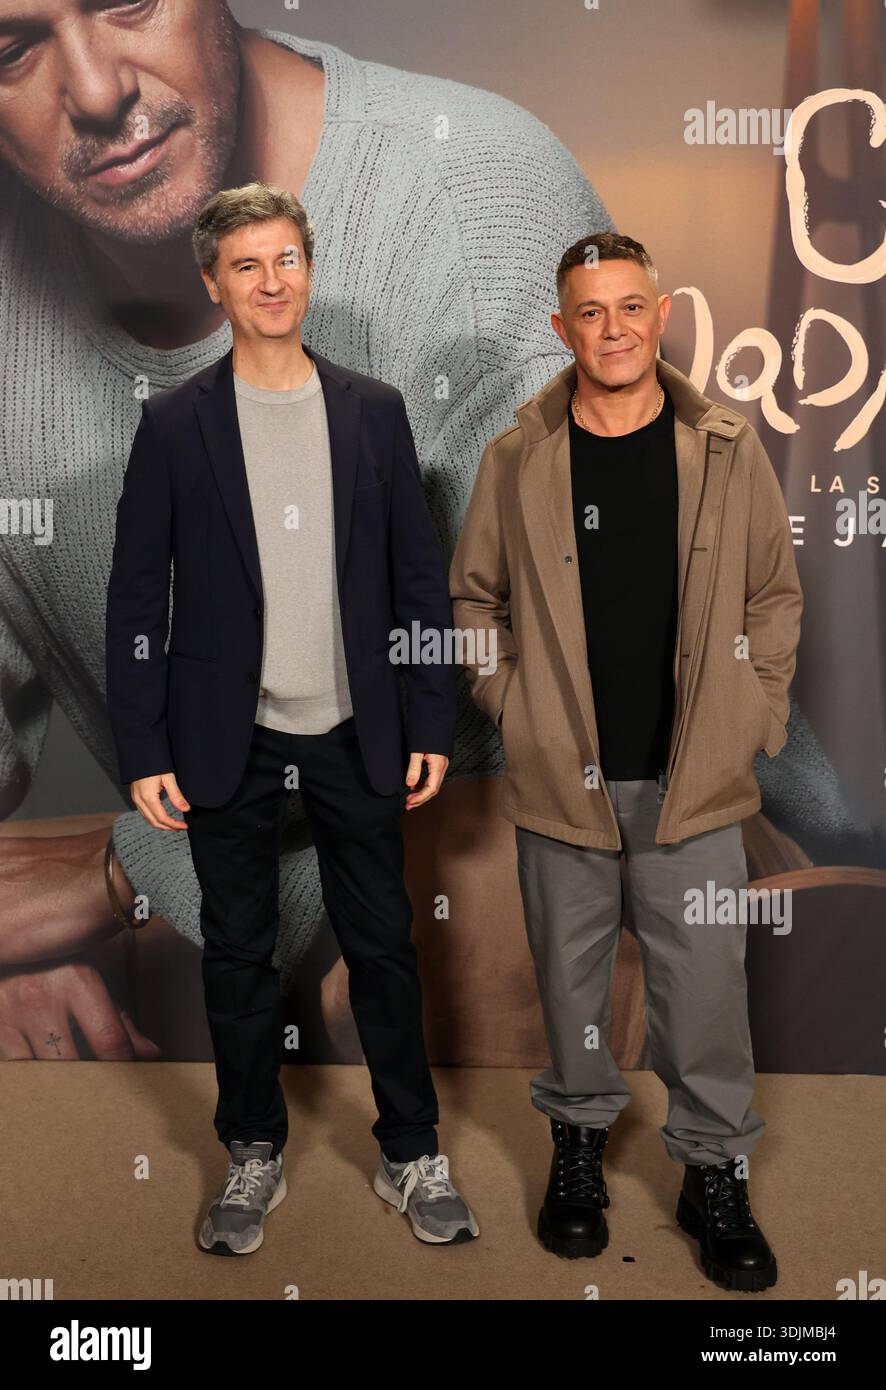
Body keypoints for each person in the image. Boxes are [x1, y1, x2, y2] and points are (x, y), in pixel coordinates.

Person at [0, 2, 619, 1054]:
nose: (99, 92)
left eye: (130, 0)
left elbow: (590, 731)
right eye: (11, 46)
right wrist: (21, 953)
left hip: (636, 901)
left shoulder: (472, 194)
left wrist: (123, 879)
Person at [106, 182, 478, 1253]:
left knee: (384, 946)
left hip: (358, 726)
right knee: (240, 952)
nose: (272, 283)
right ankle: (252, 1152)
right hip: (224, 731)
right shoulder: (176, 426)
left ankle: (411, 1149)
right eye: (248, 266)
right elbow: (136, 599)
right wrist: (142, 746)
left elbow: (419, 581)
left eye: (287, 261)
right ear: (214, 284)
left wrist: (428, 722)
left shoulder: (374, 410)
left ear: (308, 270)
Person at [449, 232, 803, 1292]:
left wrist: (756, 711)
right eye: (589, 314)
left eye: (629, 308)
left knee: (703, 995)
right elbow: (474, 603)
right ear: (562, 329)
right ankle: (577, 1151)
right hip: (566, 776)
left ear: (659, 314)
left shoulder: (728, 448)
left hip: (694, 778)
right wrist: (509, 703)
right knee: (569, 984)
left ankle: (711, 1172)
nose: (612, 330)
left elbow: (774, 598)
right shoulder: (517, 456)